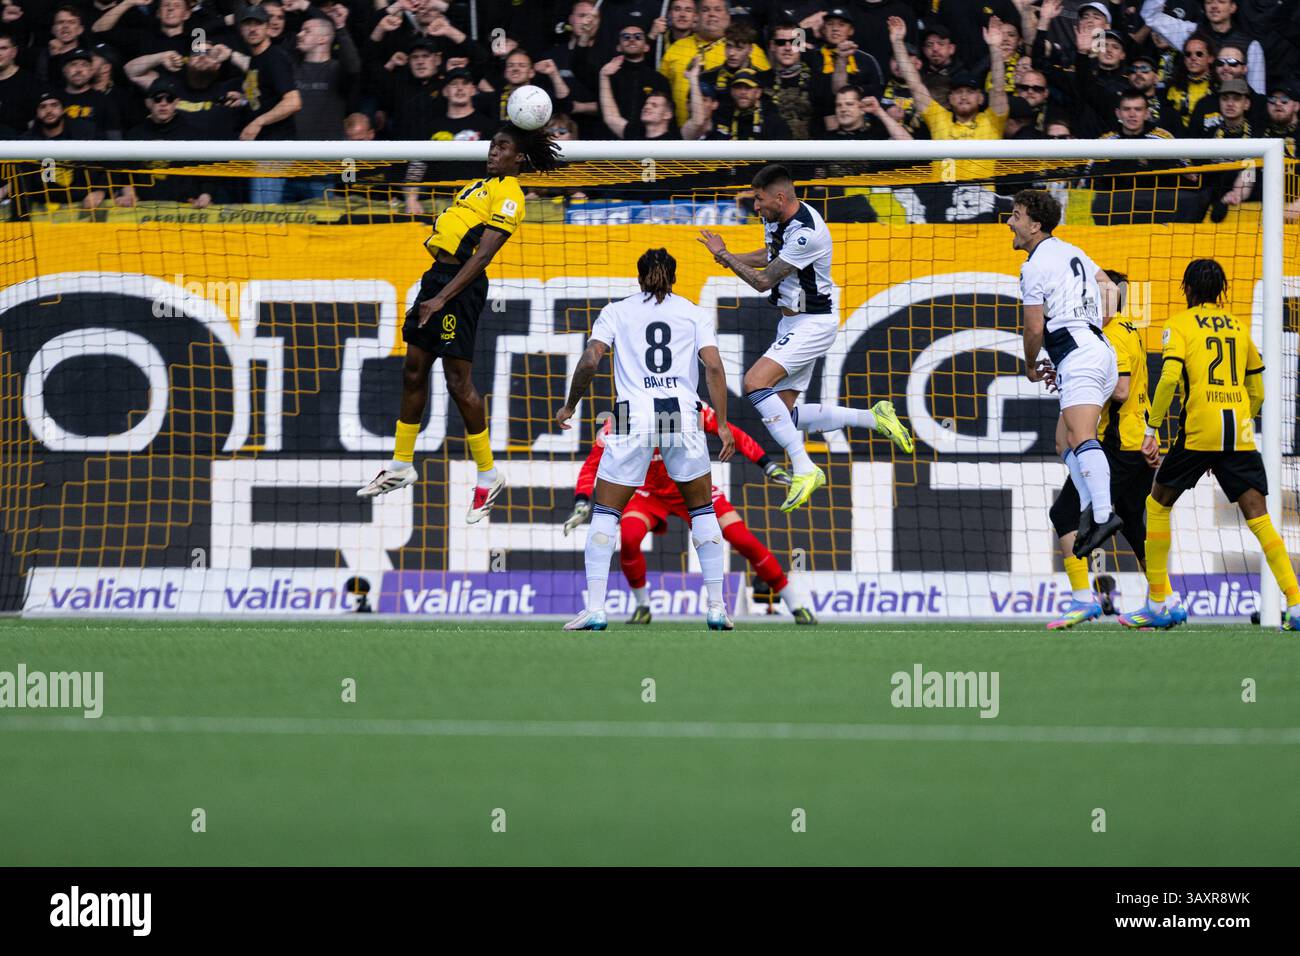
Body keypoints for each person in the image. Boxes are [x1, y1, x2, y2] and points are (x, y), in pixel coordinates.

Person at [357, 125, 561, 524]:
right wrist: (434, 290)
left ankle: (488, 474)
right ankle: (401, 465)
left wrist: (442, 297)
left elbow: (483, 256)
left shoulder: (510, 194)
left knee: (457, 382)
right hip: (436, 277)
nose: (493, 150)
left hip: (458, 289)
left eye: (502, 146)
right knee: (413, 370)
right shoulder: (475, 187)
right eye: (492, 144)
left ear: (518, 157)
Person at [698, 164, 914, 513]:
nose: (755, 207)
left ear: (780, 198)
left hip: (814, 323)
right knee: (784, 415)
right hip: (792, 324)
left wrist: (724, 255)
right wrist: (733, 258)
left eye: (759, 200)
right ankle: (875, 418)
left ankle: (805, 468)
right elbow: (770, 256)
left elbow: (764, 280)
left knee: (754, 383)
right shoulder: (775, 219)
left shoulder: (807, 232)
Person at [555, 248, 736, 632]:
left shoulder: (616, 311)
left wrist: (570, 405)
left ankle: (597, 609)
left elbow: (590, 361)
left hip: (630, 415)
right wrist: (721, 423)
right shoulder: (693, 312)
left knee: (606, 513)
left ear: (638, 278)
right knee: (702, 510)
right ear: (674, 277)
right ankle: (717, 608)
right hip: (682, 413)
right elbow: (715, 367)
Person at [1120, 259, 1300, 631]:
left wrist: (1152, 428)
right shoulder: (1238, 326)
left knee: (1157, 504)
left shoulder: (1179, 325)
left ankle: (1158, 601)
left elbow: (1169, 378)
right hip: (1238, 433)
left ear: (1186, 287)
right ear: (1222, 290)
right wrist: (1238, 424)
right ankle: (1296, 602)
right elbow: (1259, 391)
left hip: (1200, 428)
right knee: (1260, 518)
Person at [564, 405, 817, 625]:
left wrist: (766, 464)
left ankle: (794, 604)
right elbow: (592, 465)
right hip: (647, 493)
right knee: (629, 538)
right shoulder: (620, 417)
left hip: (690, 486)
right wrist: (582, 501)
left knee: (742, 539)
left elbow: (732, 433)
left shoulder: (689, 408)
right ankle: (642, 605)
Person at [1010, 188, 1125, 558]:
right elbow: (1112, 286)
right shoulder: (1072, 250)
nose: (1010, 222)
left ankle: (1104, 514)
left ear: (1034, 224)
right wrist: (1093, 325)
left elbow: (1033, 330)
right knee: (1064, 441)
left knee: (1081, 434)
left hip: (1081, 353)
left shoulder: (1033, 266)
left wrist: (1030, 365)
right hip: (1094, 350)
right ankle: (1093, 507)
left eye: (1016, 215)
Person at [1046, 270, 1162, 629]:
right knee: (1135, 528)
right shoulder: (1125, 330)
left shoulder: (1112, 335)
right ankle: (1163, 600)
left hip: (1118, 446)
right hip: (1134, 443)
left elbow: (1122, 390)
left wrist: (1082, 376)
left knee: (1064, 515)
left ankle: (1083, 599)